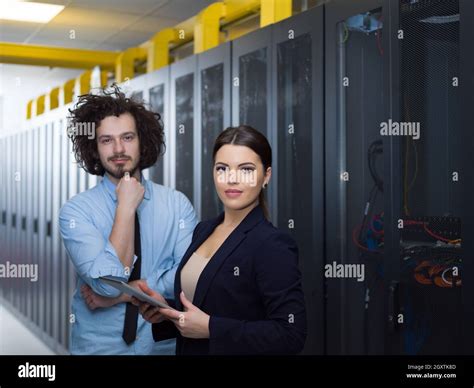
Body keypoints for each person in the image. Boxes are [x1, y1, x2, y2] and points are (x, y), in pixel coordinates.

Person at [135, 125, 307, 354]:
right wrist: (166, 312)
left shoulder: (272, 244)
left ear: (266, 175)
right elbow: (214, 304)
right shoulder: (203, 230)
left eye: (245, 169)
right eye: (222, 168)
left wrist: (211, 328)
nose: (232, 179)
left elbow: (290, 334)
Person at [59, 86, 197, 355]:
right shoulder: (76, 212)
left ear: (142, 141)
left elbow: (187, 279)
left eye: (128, 137)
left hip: (163, 346)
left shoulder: (177, 204)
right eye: (107, 140)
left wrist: (124, 293)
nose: (119, 149)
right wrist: (125, 207)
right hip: (100, 348)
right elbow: (104, 282)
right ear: (94, 147)